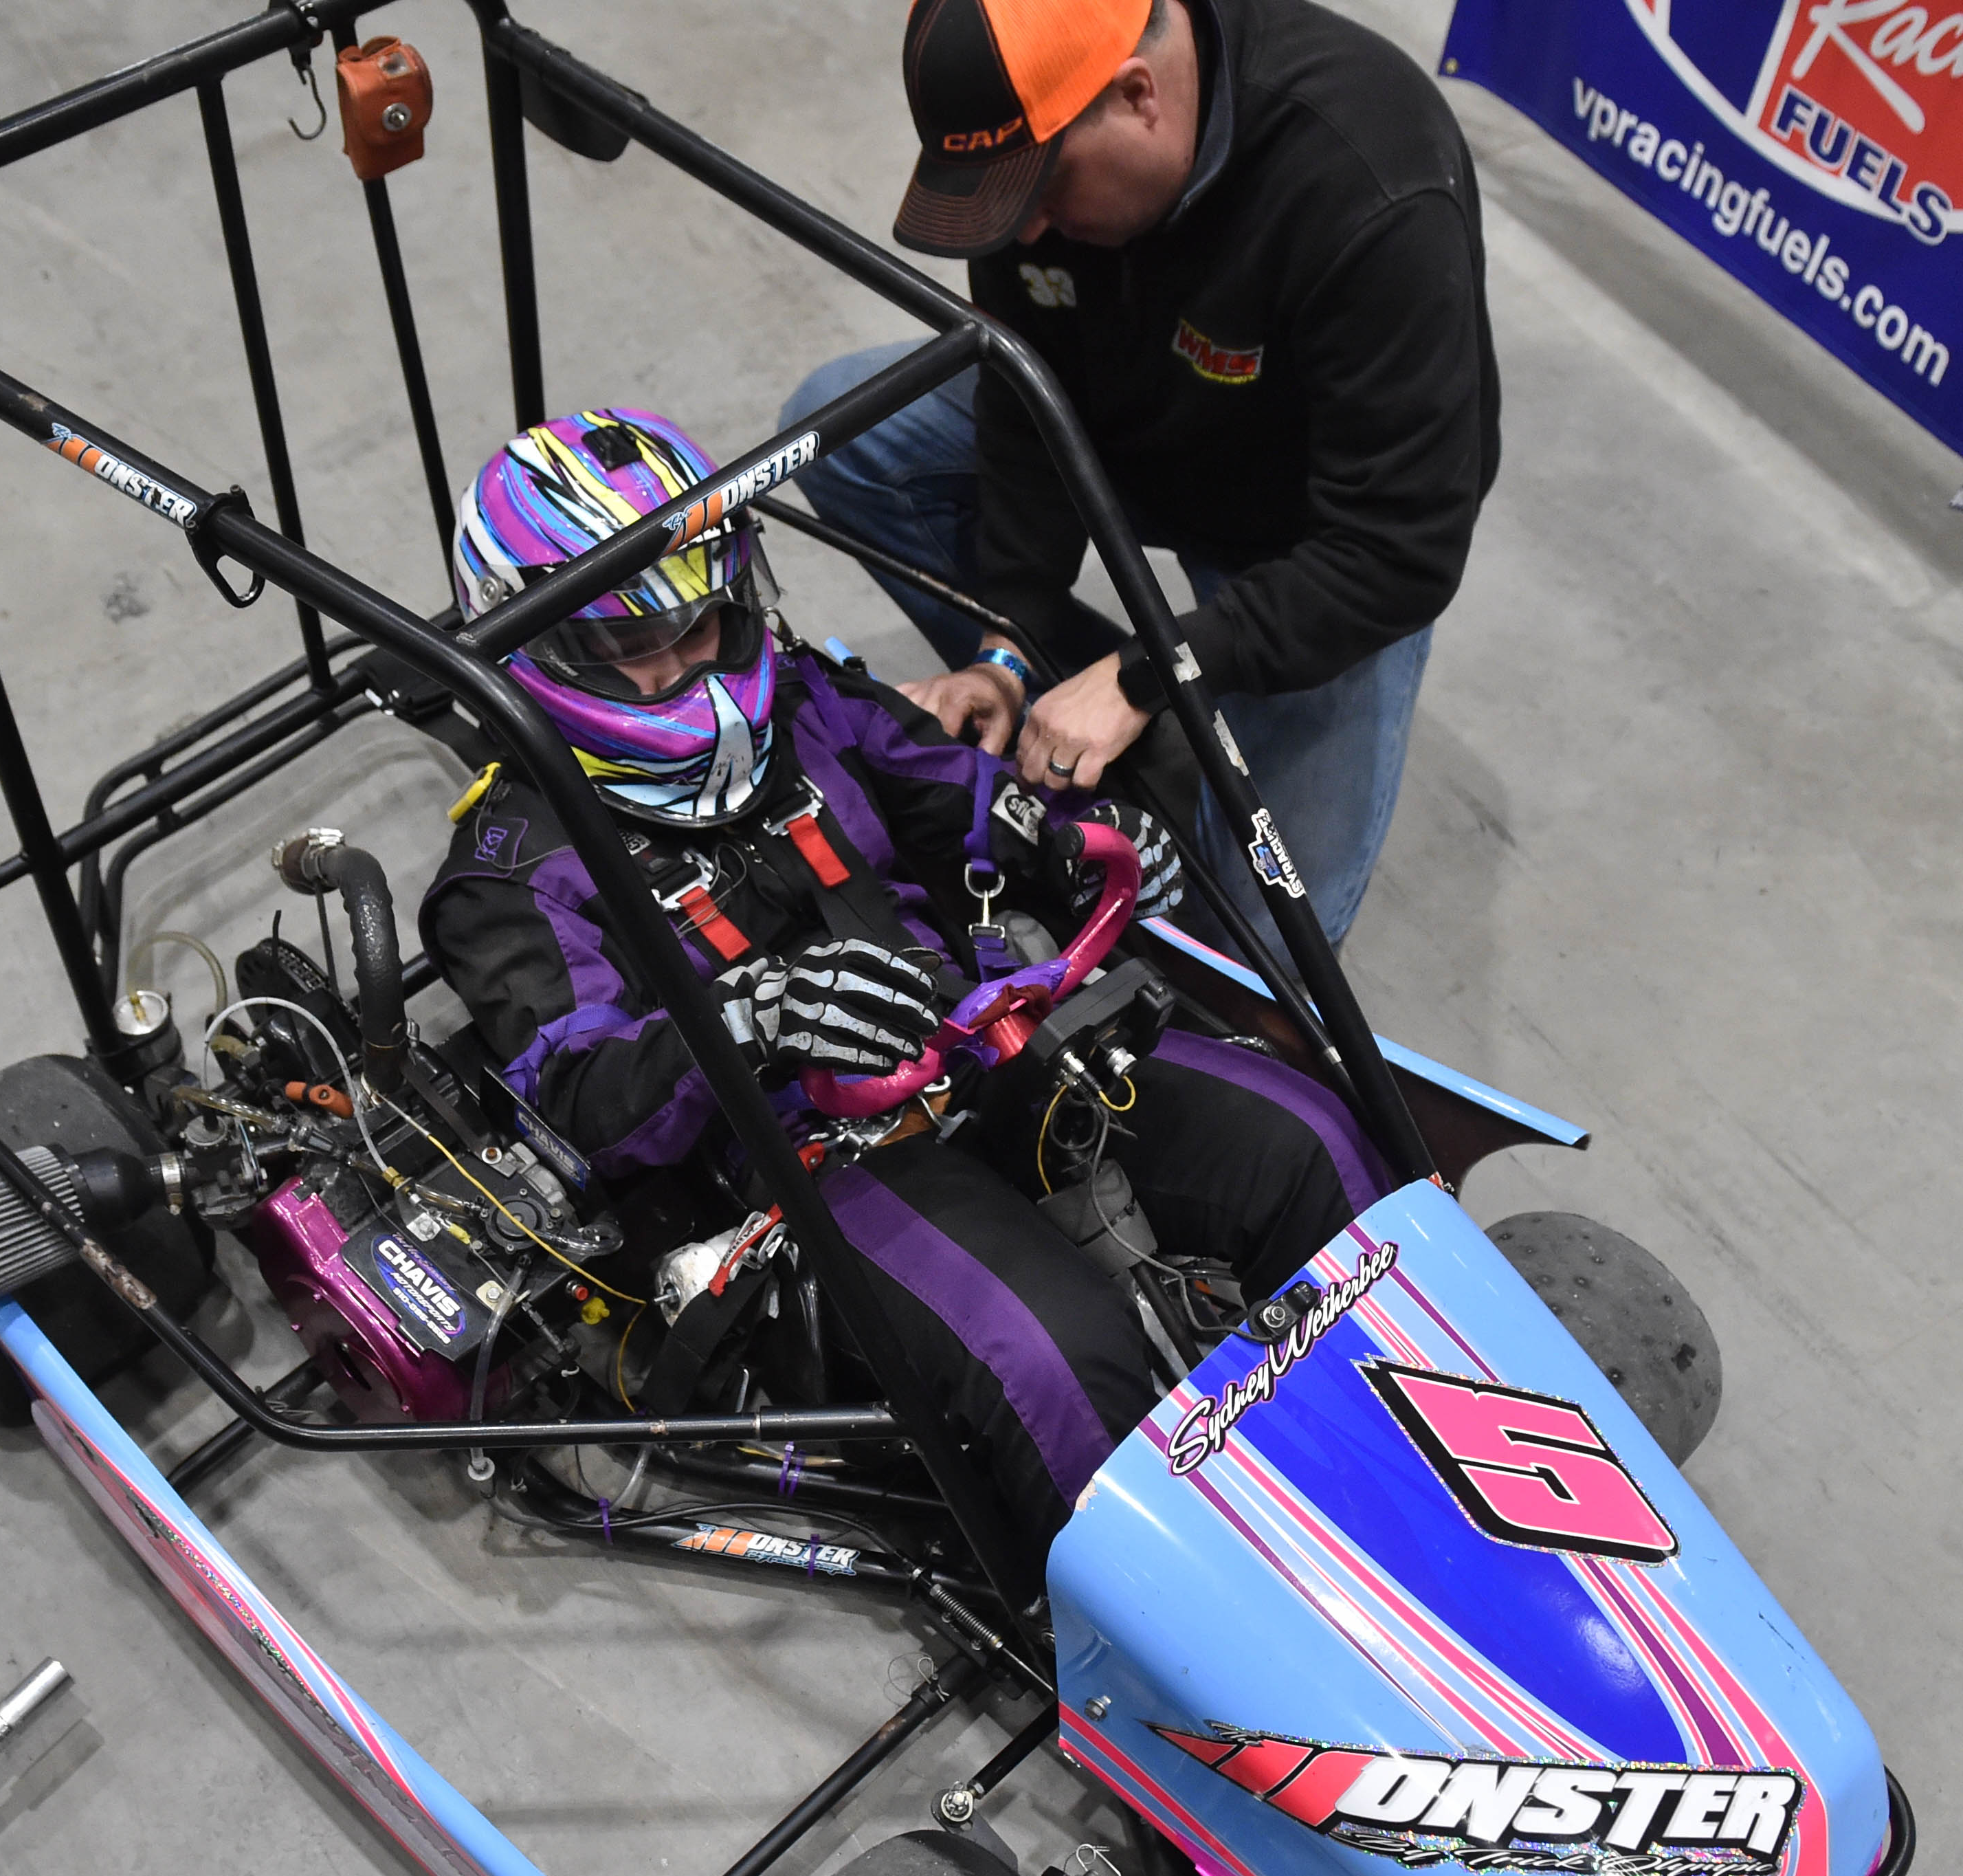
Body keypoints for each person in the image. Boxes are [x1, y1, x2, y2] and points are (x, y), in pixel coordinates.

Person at [422, 410, 1388, 1565]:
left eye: (713, 621)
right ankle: (1202, 1650)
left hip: (988, 1027)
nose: (695, 666)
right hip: (804, 1168)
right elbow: (579, 1102)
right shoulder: (510, 872)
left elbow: (954, 791)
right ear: (550, 654)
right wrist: (755, 1020)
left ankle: (1429, 1475)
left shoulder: (806, 699)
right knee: (1060, 1359)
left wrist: (1075, 836)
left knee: (1309, 1143)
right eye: (645, 645)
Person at [783, 0, 1500, 952]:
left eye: (1042, 186)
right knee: (841, 423)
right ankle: (1114, 706)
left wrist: (1154, 669)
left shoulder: (1369, 183)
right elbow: (1024, 403)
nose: (1025, 229)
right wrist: (1006, 645)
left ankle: (1165, 698)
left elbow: (1401, 549)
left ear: (1138, 97)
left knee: (1258, 952)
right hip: (1129, 436)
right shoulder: (1034, 199)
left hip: (1303, 540)